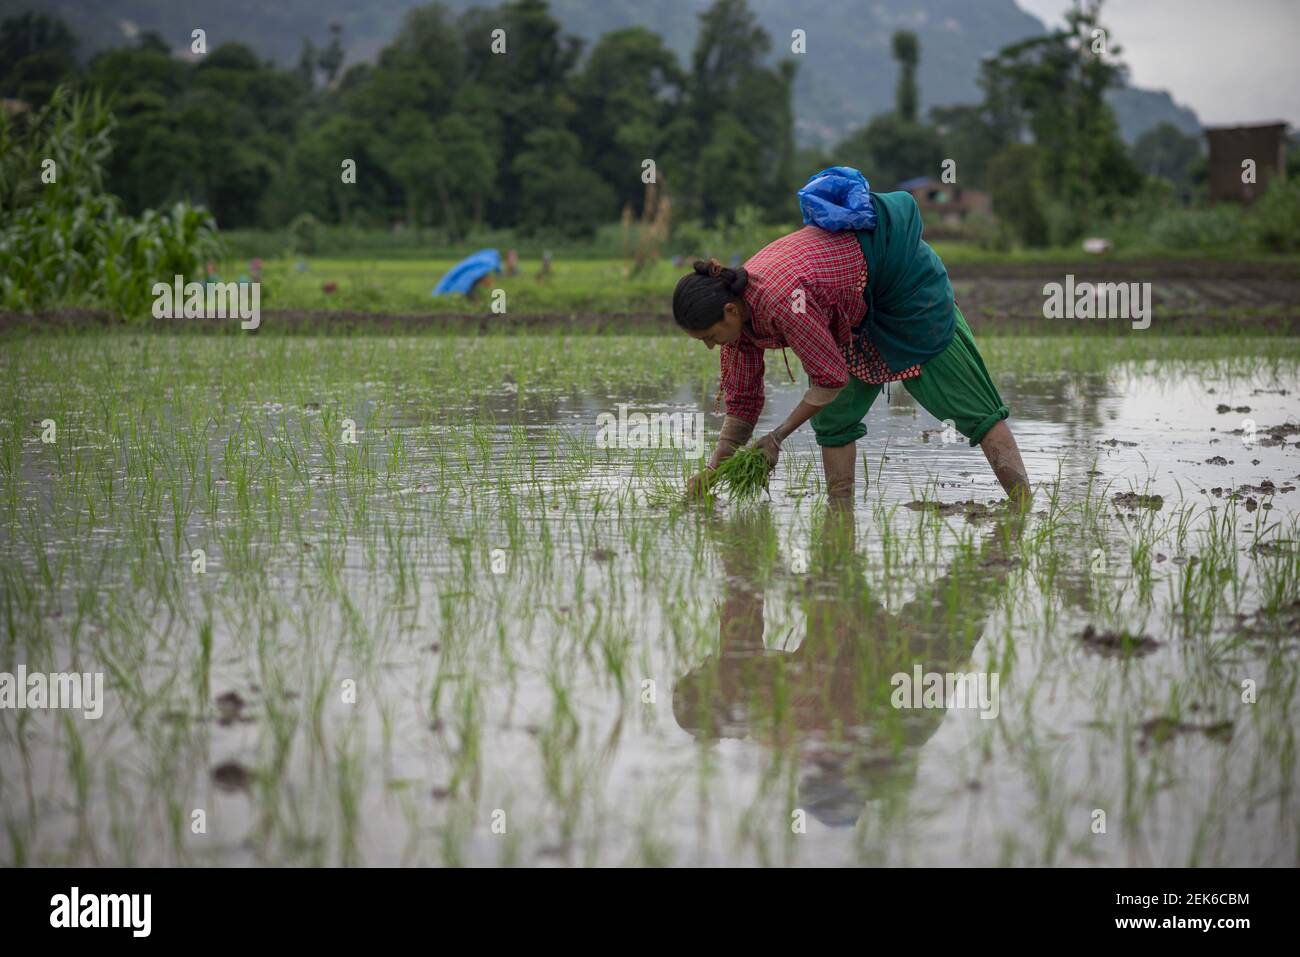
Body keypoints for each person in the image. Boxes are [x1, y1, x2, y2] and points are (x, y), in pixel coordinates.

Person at [672, 183, 1030, 506]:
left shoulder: (782, 300)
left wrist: (777, 437)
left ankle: (1024, 506)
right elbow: (743, 404)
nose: (709, 346)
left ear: (729, 310)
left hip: (903, 286)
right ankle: (839, 518)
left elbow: (829, 378)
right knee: (834, 416)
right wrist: (712, 473)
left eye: (708, 337)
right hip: (850, 307)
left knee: (970, 406)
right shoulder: (737, 322)